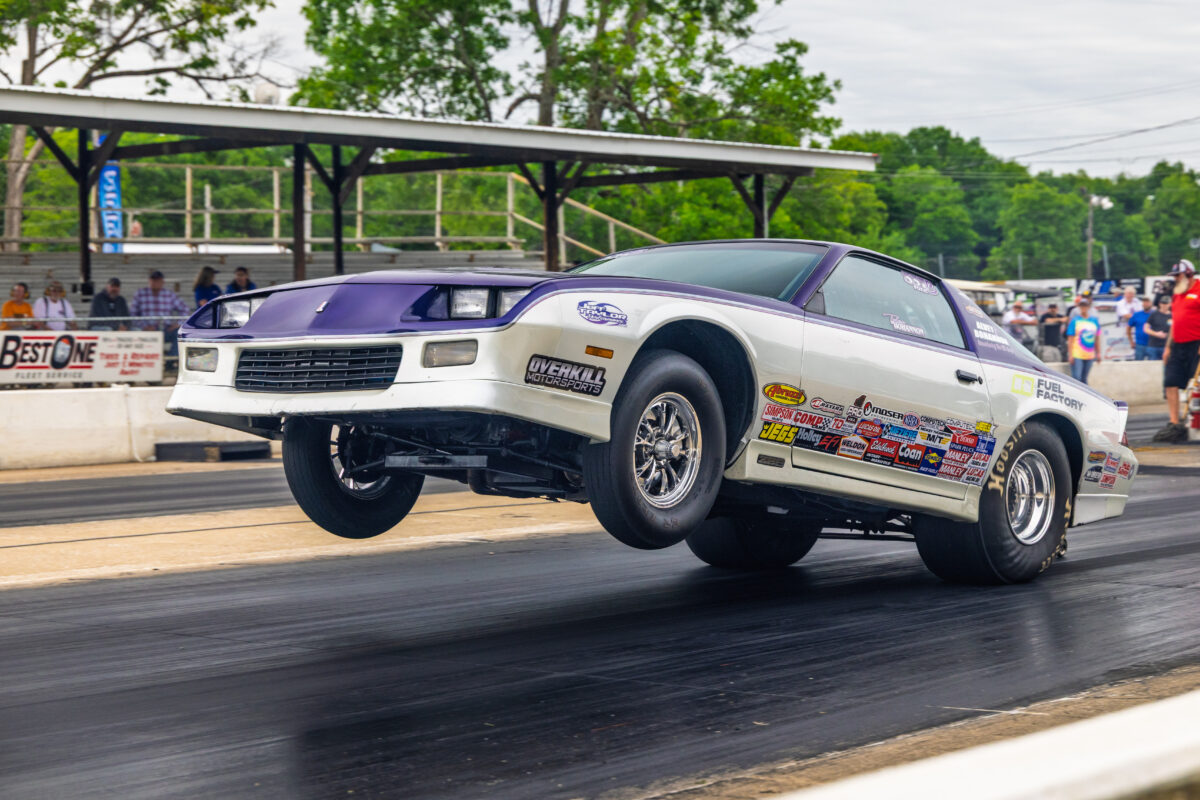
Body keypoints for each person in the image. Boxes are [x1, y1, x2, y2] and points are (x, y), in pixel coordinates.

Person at [1154, 259, 1200, 443]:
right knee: (1170, 382)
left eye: (1177, 276)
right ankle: (1175, 422)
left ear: (1188, 274)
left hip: (1196, 345)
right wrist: (1167, 346)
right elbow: (1175, 321)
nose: (1175, 279)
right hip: (1178, 345)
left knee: (1196, 387)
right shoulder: (1177, 294)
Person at [130, 270, 189, 356]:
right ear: (149, 281)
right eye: (153, 280)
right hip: (145, 331)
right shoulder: (140, 294)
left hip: (166, 329)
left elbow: (185, 309)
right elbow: (133, 313)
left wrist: (178, 323)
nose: (155, 283)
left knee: (180, 334)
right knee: (133, 333)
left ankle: (170, 363)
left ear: (162, 282)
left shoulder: (169, 294)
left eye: (158, 280)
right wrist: (144, 326)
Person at [1066, 298, 1102, 383]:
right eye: (1081, 306)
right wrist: (1070, 354)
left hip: (1089, 354)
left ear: (1088, 307)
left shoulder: (1094, 320)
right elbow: (1070, 339)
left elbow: (1097, 338)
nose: (1083, 308)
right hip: (1077, 353)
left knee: (1084, 378)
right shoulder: (1075, 320)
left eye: (1085, 306)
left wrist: (1098, 353)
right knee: (1077, 377)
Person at [1145, 297, 1171, 362]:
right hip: (1153, 346)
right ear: (1159, 304)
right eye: (1162, 303)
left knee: (1166, 366)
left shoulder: (1172, 315)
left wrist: (1168, 335)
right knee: (1152, 366)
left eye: (1166, 303)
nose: (1164, 305)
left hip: (1166, 346)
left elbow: (1176, 330)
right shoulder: (1154, 314)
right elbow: (1146, 328)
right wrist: (1156, 334)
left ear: (1170, 304)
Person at [1129, 296, 1155, 360]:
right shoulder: (1136, 315)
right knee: (1138, 365)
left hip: (1153, 345)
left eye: (1147, 302)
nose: (1145, 304)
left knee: (1153, 366)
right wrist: (1131, 341)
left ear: (1151, 303)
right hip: (1140, 345)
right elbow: (1128, 328)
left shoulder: (1156, 314)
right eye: (1144, 302)